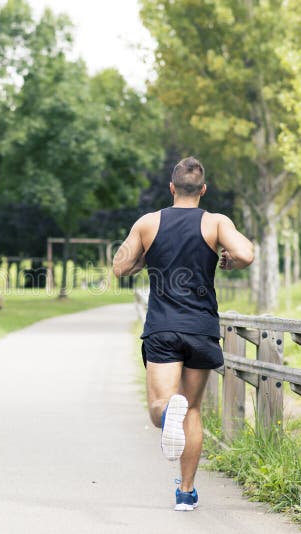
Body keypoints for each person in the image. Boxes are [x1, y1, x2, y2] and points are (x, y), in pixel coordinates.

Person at [112, 156, 254, 511]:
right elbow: (247, 253)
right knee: (191, 409)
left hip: (162, 326)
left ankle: (166, 415)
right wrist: (229, 260)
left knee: (161, 406)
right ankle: (186, 492)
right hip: (201, 328)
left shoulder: (148, 223)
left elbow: (119, 267)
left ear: (172, 188)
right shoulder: (215, 222)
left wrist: (146, 255)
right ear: (203, 190)